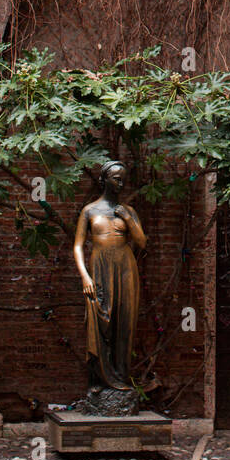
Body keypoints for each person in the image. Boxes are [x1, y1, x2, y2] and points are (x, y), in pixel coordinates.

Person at [73, 160, 146, 397]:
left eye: (123, 178)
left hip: (125, 267)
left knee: (124, 322)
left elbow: (142, 242)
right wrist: (85, 277)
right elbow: (77, 246)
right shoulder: (90, 211)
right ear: (104, 179)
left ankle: (121, 377)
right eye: (116, 177)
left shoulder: (128, 211)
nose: (120, 182)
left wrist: (127, 217)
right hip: (99, 267)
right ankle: (99, 379)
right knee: (99, 322)